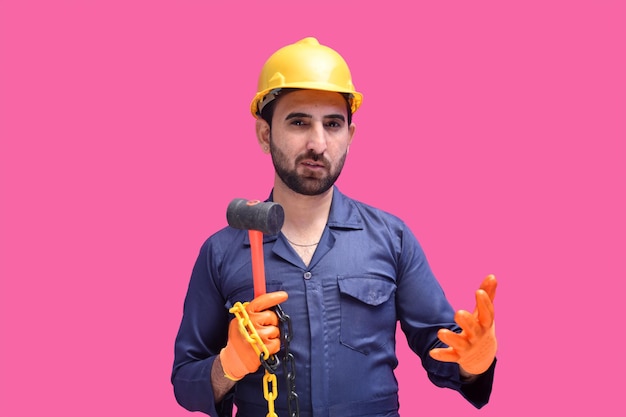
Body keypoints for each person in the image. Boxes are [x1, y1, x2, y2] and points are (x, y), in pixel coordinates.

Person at [171, 37, 498, 417]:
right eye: (298, 122)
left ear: (350, 137)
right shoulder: (221, 252)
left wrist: (475, 361)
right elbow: (185, 379)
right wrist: (228, 365)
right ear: (265, 134)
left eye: (333, 124)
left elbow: (443, 349)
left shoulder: (392, 239)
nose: (318, 143)